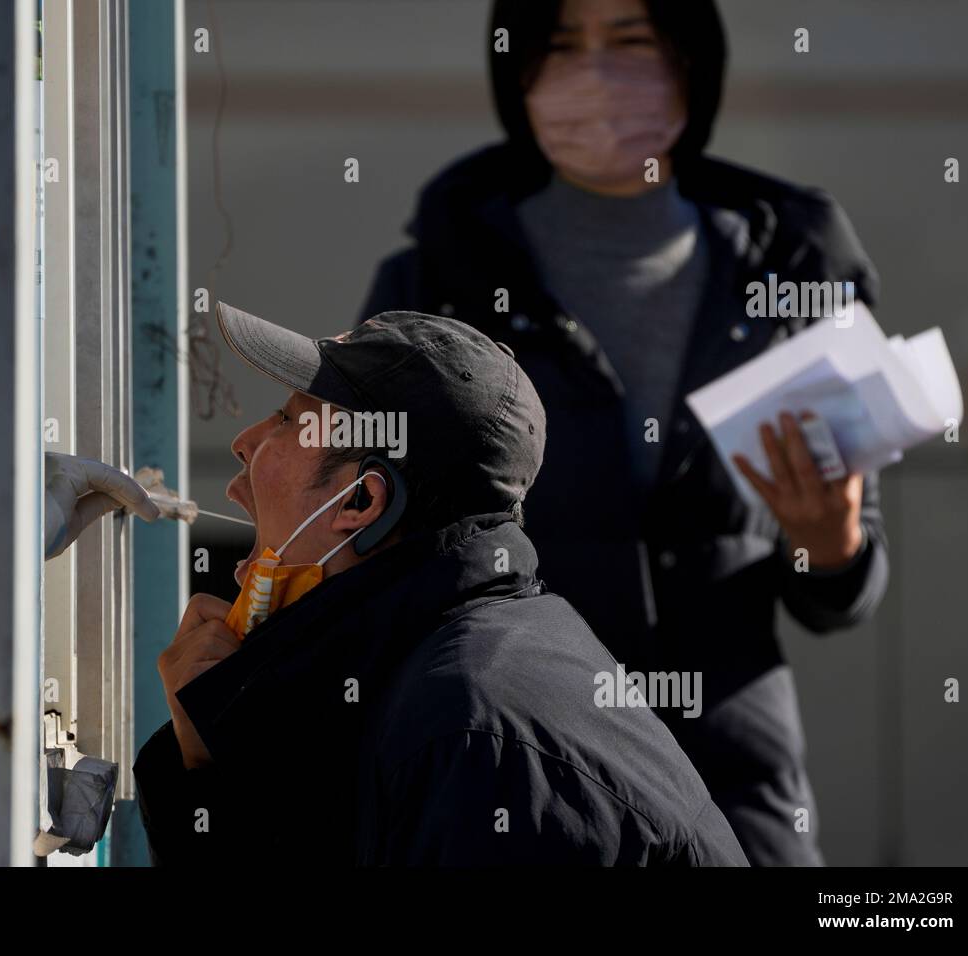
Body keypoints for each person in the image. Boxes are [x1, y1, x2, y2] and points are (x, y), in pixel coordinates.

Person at [359, 0, 888, 865]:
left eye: (633, 41)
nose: (597, 73)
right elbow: (374, 540)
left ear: (692, 66)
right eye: (561, 44)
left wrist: (827, 547)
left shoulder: (796, 273)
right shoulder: (437, 280)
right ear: (517, 74)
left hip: (736, 781)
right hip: (520, 769)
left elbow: (847, 589)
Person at [131, 301, 747, 866]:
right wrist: (203, 764)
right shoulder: (431, 662)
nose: (243, 443)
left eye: (289, 419)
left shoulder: (474, 734)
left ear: (362, 499)